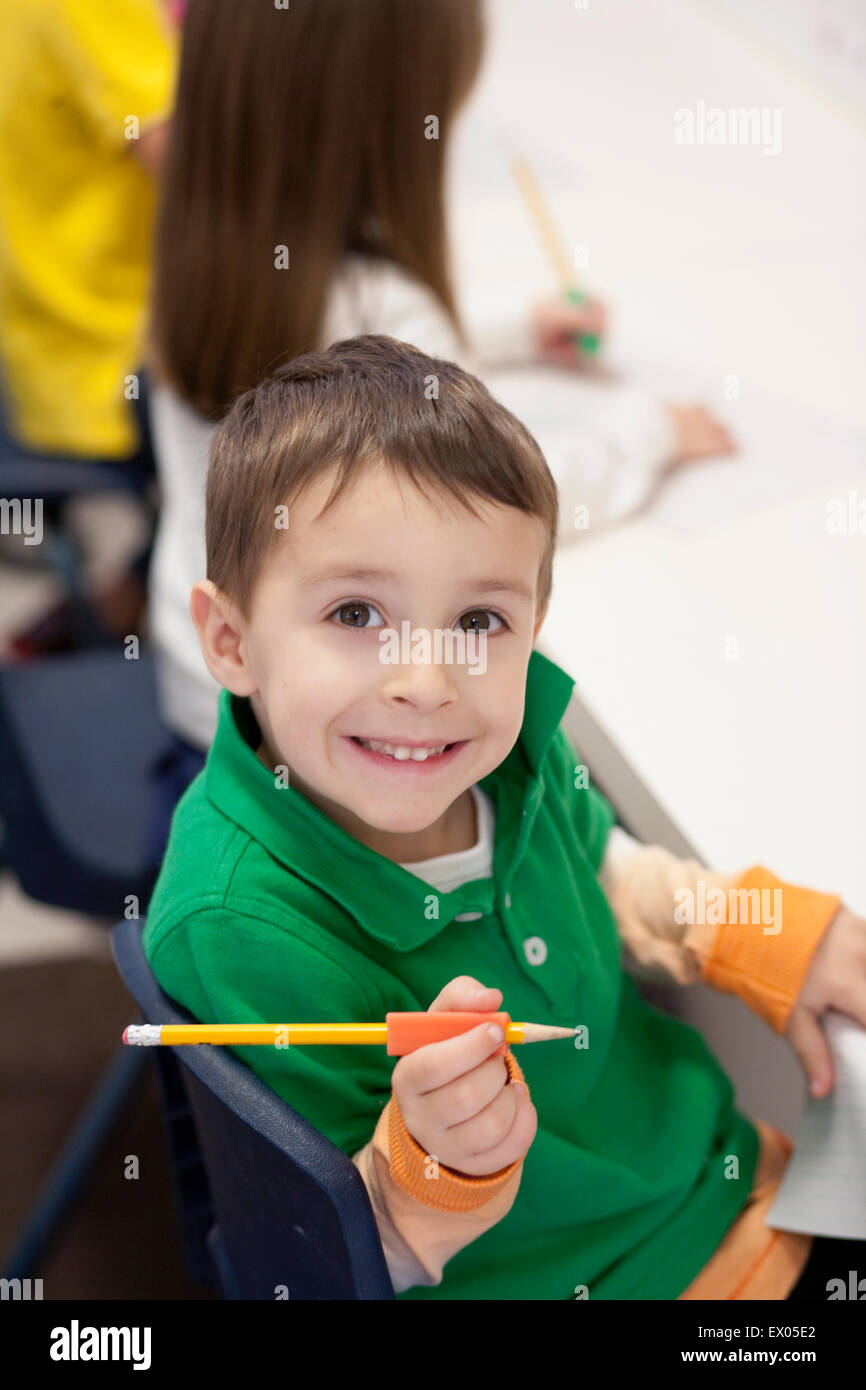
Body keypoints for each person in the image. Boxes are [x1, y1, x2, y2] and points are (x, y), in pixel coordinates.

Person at [142, 335, 865, 1300]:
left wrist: (759, 934)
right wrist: (433, 1167)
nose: (427, 684)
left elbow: (599, 867)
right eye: (357, 614)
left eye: (480, 622)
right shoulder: (239, 928)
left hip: (722, 1190)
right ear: (231, 641)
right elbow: (332, 1262)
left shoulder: (512, 747)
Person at [143, 0, 733, 848]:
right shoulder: (390, 302)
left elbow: (337, 328)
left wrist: (509, 327)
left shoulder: (204, 250)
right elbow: (509, 500)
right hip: (324, 772)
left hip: (211, 699)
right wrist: (649, 433)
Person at [0, 0, 178, 651]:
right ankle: (119, 617)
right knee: (302, 434)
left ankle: (108, 606)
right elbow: (192, 170)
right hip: (108, 357)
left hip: (41, 346)